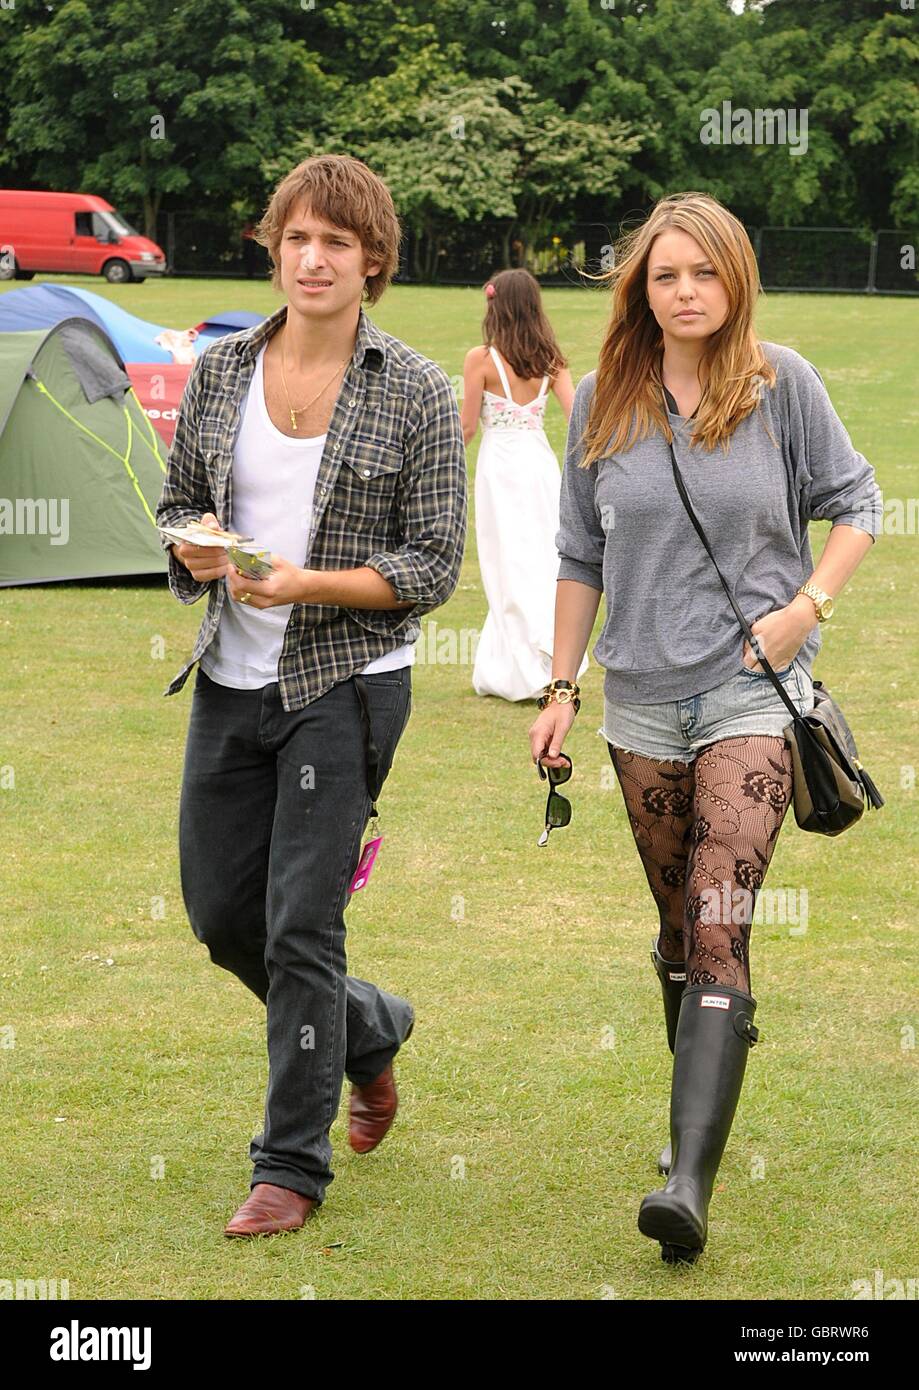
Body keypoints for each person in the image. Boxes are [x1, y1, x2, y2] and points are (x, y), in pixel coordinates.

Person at [528, 191, 881, 1264]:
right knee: (682, 926)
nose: (684, 291)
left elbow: (857, 504)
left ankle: (686, 1182)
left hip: (747, 697)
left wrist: (803, 610)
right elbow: (581, 555)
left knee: (720, 911)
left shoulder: (783, 386)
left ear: (735, 281)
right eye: (664, 274)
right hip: (638, 699)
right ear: (639, 284)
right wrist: (558, 686)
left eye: (703, 273)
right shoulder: (600, 400)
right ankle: (697, 1092)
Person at [155, 154, 467, 1237]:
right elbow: (180, 497)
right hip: (230, 678)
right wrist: (193, 549)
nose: (313, 257)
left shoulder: (417, 389)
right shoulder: (224, 369)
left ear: (372, 260)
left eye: (336, 241)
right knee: (221, 913)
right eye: (296, 237)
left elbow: (432, 565)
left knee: (299, 923)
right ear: (273, 246)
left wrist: (308, 584)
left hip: (346, 684)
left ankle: (290, 1164)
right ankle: (370, 1032)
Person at [461, 268, 588, 701]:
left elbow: (467, 428)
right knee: (542, 557)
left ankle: (526, 664)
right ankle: (543, 657)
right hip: (538, 463)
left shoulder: (481, 359)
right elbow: (578, 419)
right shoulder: (552, 359)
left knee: (506, 560)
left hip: (499, 466)